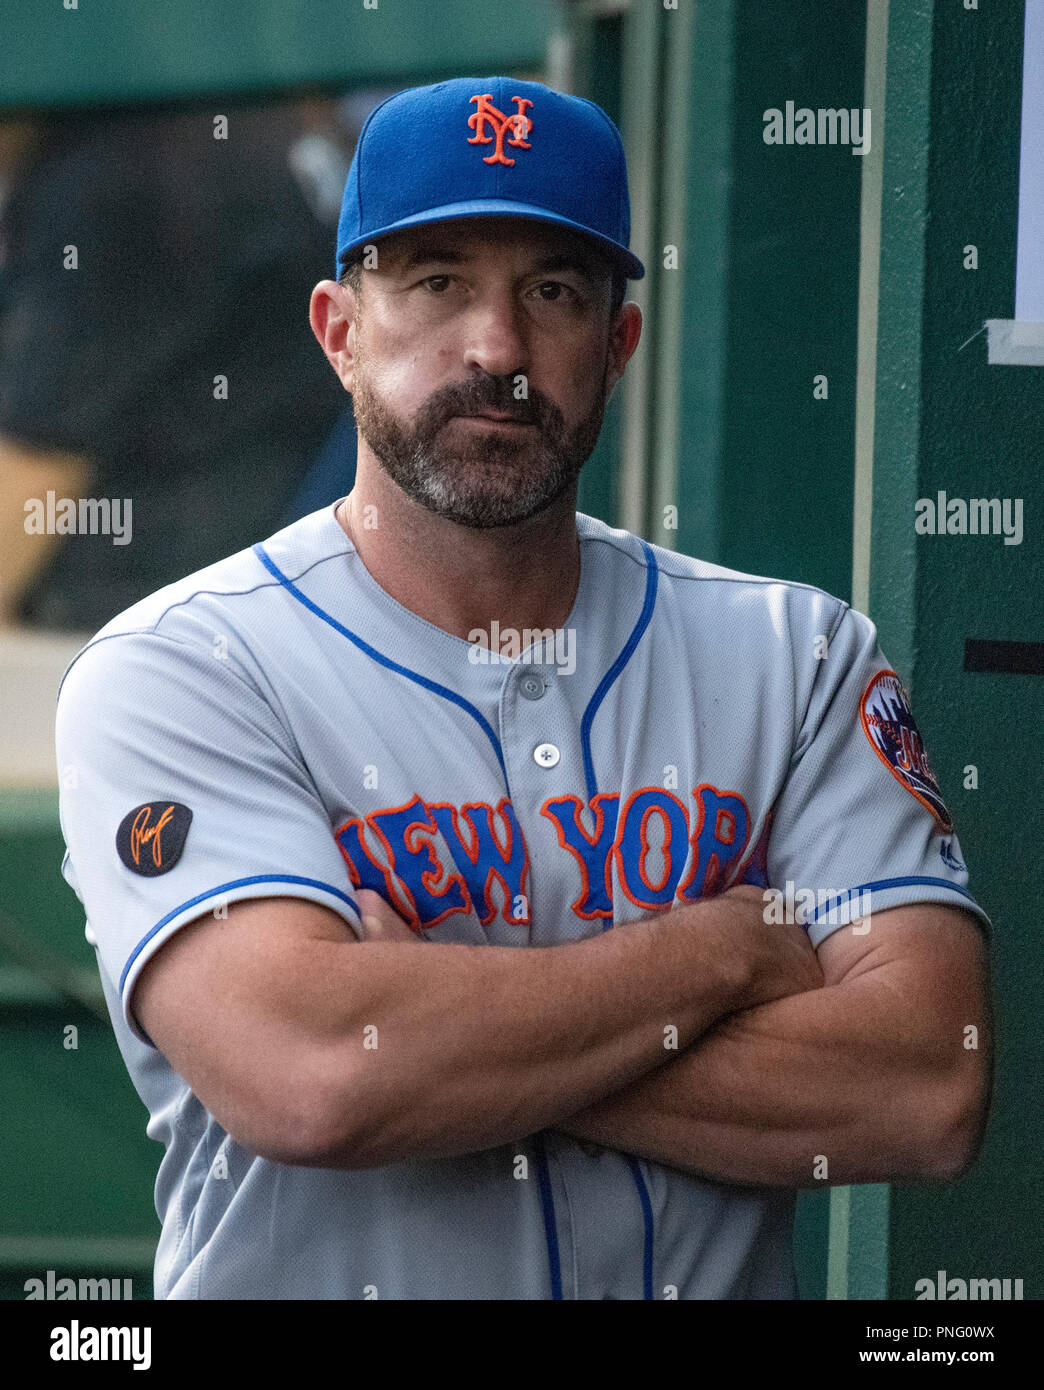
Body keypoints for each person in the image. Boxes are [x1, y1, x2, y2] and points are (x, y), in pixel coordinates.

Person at [54, 76, 992, 1300]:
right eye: (437, 281)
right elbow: (317, 1075)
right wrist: (720, 951)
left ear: (619, 344)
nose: (496, 348)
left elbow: (923, 1089)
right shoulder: (181, 670)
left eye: (551, 291)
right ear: (340, 331)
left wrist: (441, 1024)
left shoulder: (798, 656)